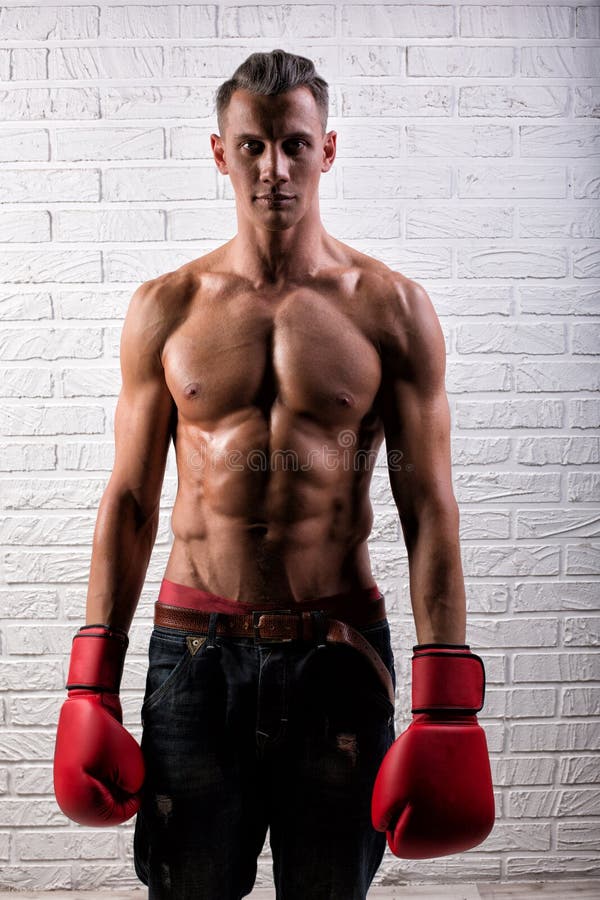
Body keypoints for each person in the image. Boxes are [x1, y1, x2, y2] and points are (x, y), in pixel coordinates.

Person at [53, 49, 494, 899]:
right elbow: (133, 498)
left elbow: (429, 508)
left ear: (327, 149)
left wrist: (447, 701)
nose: (274, 169)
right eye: (252, 146)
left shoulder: (392, 311)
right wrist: (91, 681)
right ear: (221, 152)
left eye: (294, 144)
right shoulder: (166, 309)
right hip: (194, 656)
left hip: (338, 656)